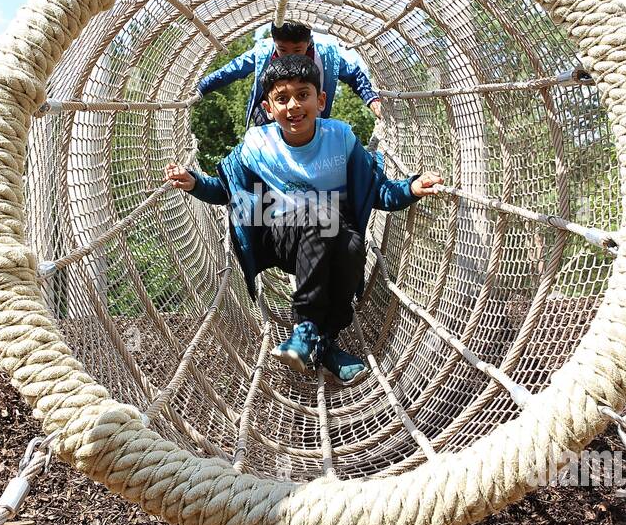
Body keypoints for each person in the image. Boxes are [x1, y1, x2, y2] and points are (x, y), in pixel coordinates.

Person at [167, 54, 442, 383]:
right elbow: (228, 191)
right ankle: (307, 327)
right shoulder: (257, 145)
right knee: (317, 214)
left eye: (302, 95)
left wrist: (412, 187)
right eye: (282, 98)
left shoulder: (340, 139)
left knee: (352, 244)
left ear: (320, 100)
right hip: (281, 235)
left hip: (333, 236)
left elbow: (377, 191)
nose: (293, 106)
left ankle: (325, 344)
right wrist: (195, 184)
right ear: (269, 108)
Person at [197, 20, 383, 130]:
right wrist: (201, 88)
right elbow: (232, 70)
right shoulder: (264, 52)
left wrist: (371, 98)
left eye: (297, 49)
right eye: (282, 49)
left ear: (308, 43)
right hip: (270, 115)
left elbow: (353, 74)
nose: (290, 55)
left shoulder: (326, 55)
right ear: (275, 43)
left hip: (309, 117)